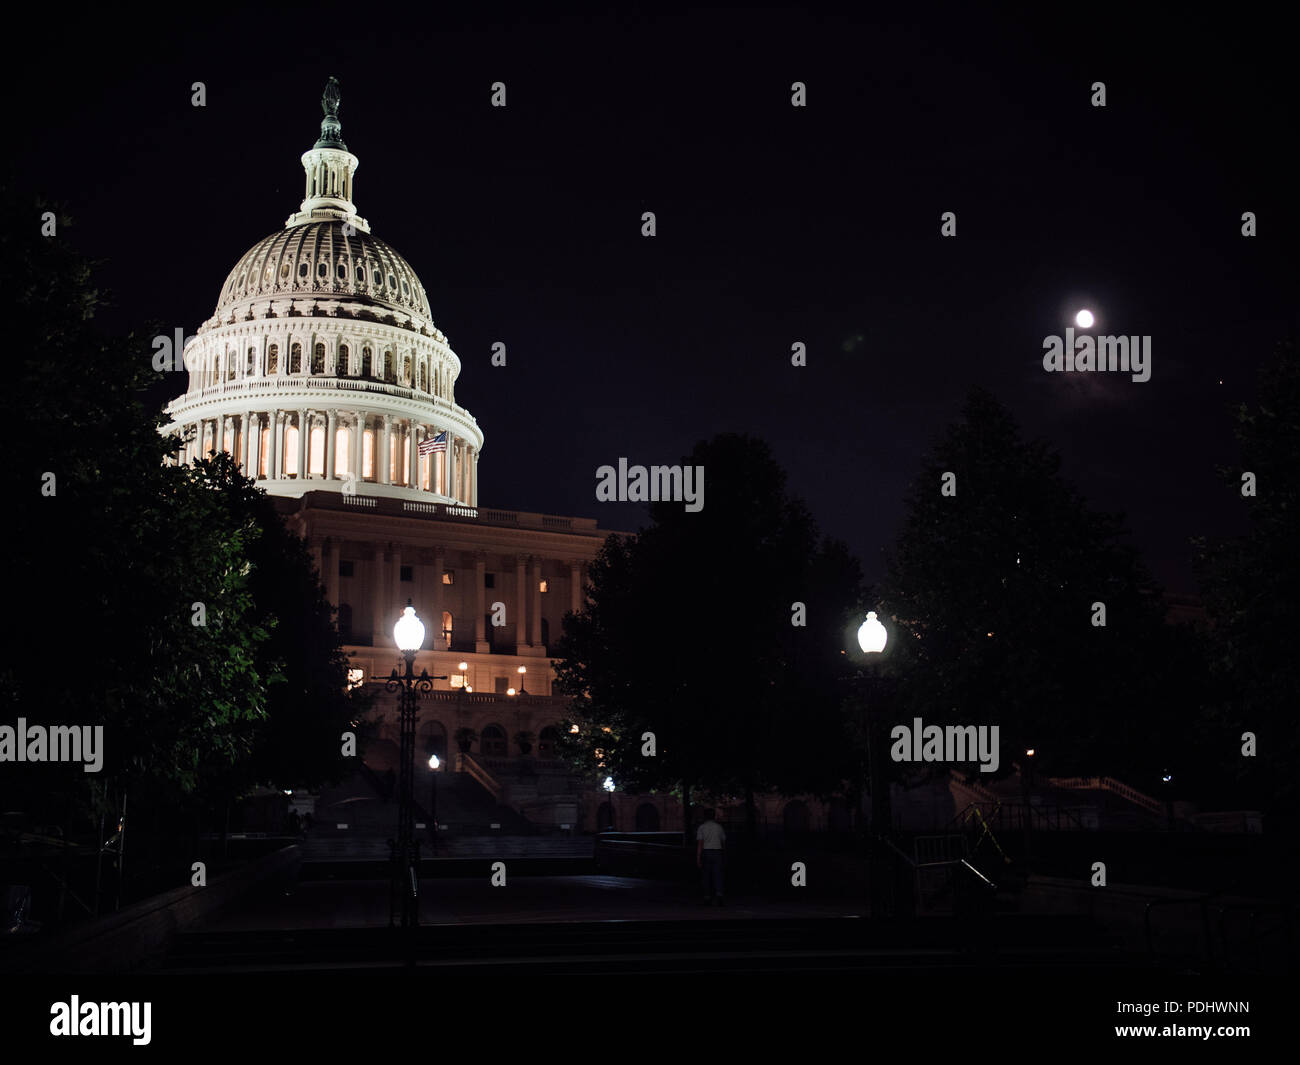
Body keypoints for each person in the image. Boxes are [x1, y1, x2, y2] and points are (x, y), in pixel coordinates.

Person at [695, 808, 726, 905]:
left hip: (706, 852)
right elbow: (723, 841)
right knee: (718, 875)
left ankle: (707, 896)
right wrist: (723, 854)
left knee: (706, 875)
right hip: (717, 851)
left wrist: (698, 857)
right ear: (714, 816)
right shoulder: (719, 827)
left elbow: (700, 843)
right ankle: (719, 895)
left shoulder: (702, 827)